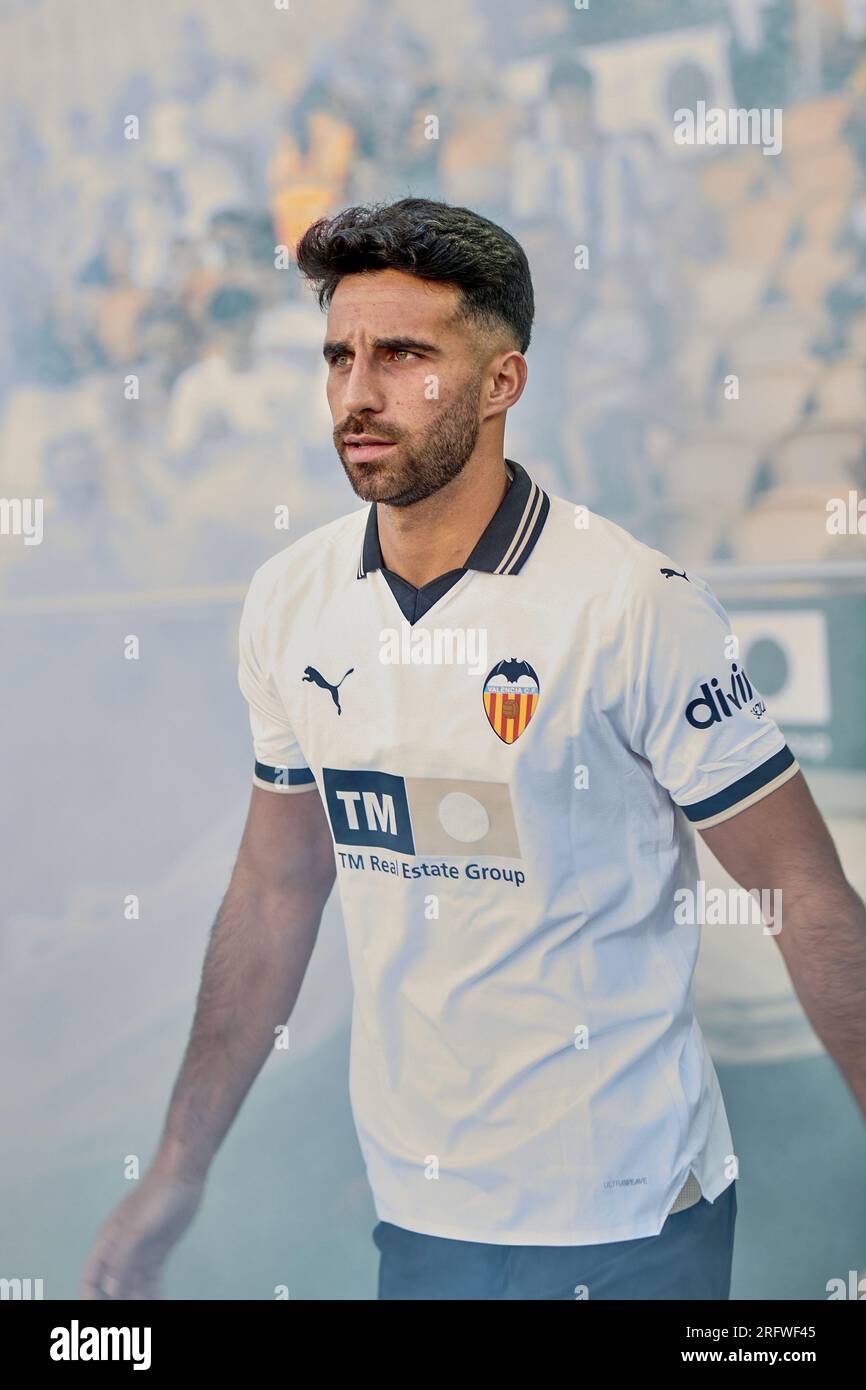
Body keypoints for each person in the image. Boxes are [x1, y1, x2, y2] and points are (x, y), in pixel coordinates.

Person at [81, 197, 866, 1301]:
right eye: (340, 356)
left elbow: (803, 891)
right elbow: (273, 888)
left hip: (633, 1218)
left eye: (403, 355)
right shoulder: (288, 601)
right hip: (422, 1219)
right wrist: (177, 1162)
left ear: (501, 382)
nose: (358, 391)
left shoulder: (630, 604)